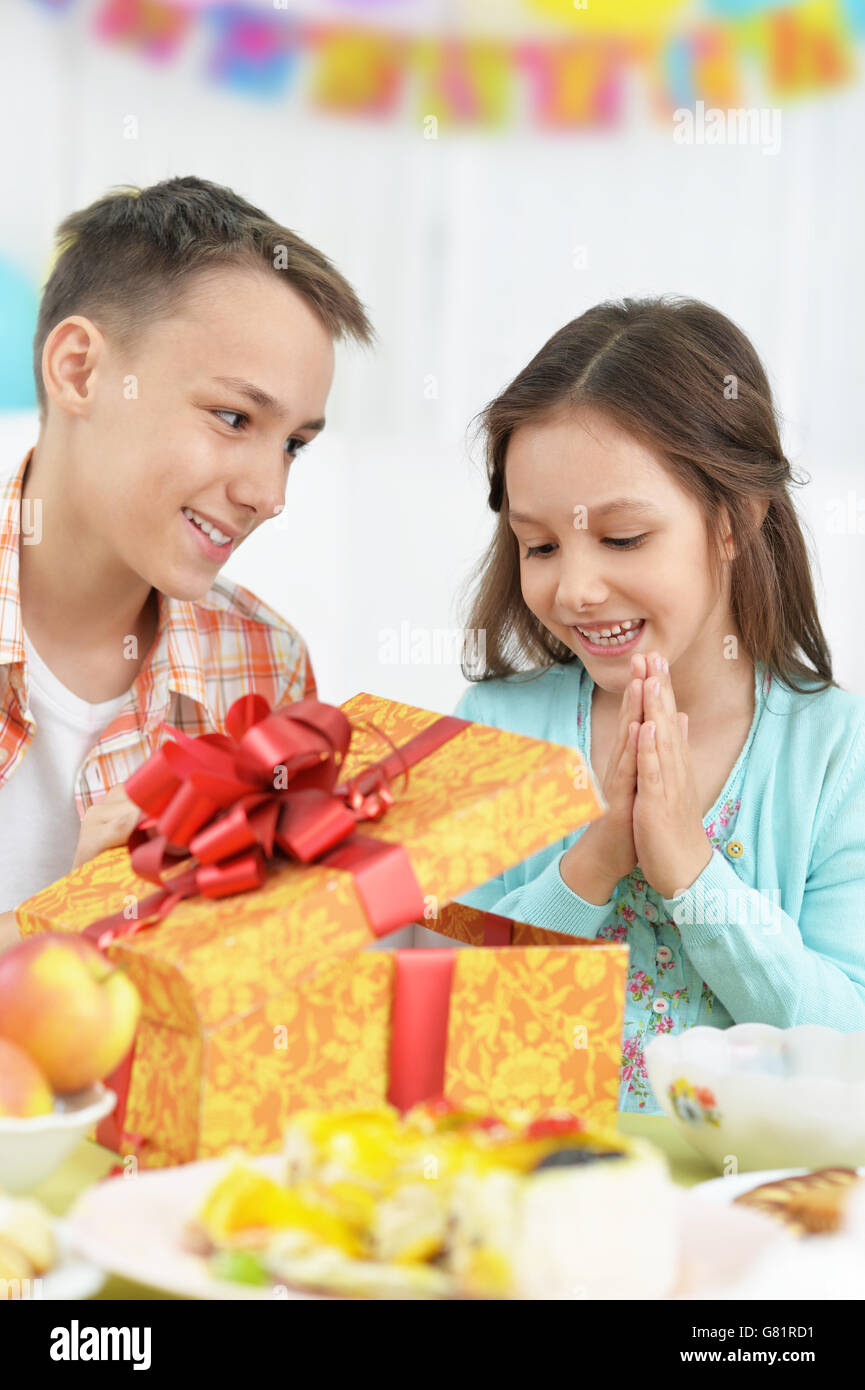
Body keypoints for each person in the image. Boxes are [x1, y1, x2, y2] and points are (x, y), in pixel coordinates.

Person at [452, 295, 865, 1114]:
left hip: (758, 1216)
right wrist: (594, 859)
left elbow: (846, 1043)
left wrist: (688, 867)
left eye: (621, 538)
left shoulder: (833, 752)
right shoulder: (496, 728)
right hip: (532, 1200)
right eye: (539, 545)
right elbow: (458, 1025)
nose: (574, 589)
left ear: (733, 520)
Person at [0, 175, 373, 949]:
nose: (269, 493)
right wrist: (68, 928)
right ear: (78, 371)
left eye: (293, 446)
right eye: (233, 417)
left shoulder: (266, 670)